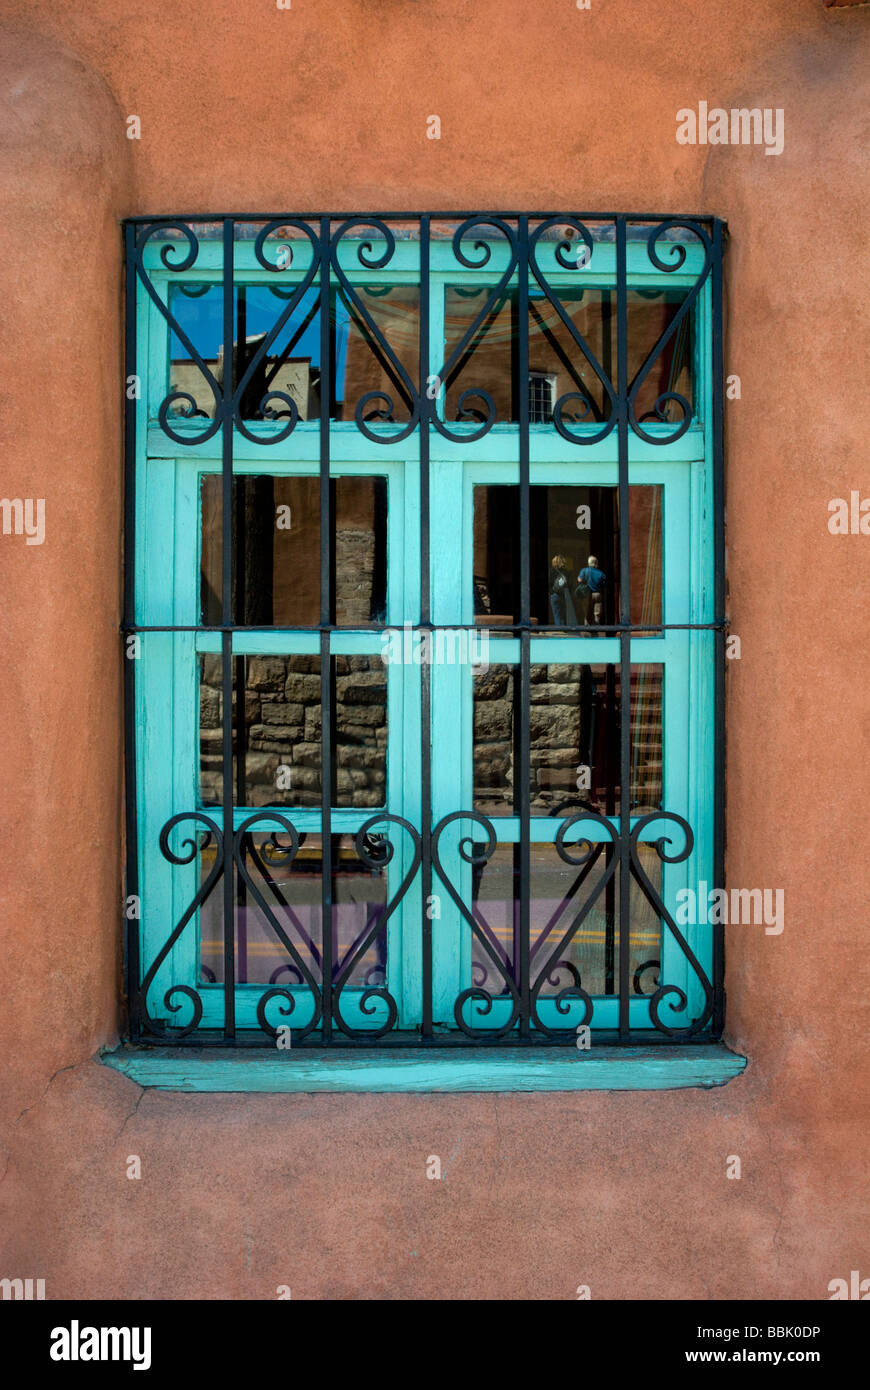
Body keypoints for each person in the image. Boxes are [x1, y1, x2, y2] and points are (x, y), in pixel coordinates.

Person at [577, 554, 606, 627]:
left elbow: (579, 580)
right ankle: (596, 626)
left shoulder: (584, 570)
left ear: (589, 562)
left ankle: (587, 627)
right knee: (597, 612)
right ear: (596, 563)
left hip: (587, 594)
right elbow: (604, 584)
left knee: (587, 611)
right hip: (598, 594)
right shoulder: (601, 573)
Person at [548, 554, 578, 626]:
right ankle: (564, 629)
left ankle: (560, 630)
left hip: (554, 595)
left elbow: (549, 583)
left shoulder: (551, 571)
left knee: (557, 614)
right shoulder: (567, 572)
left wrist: (551, 592)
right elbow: (570, 584)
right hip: (563, 595)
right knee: (563, 614)